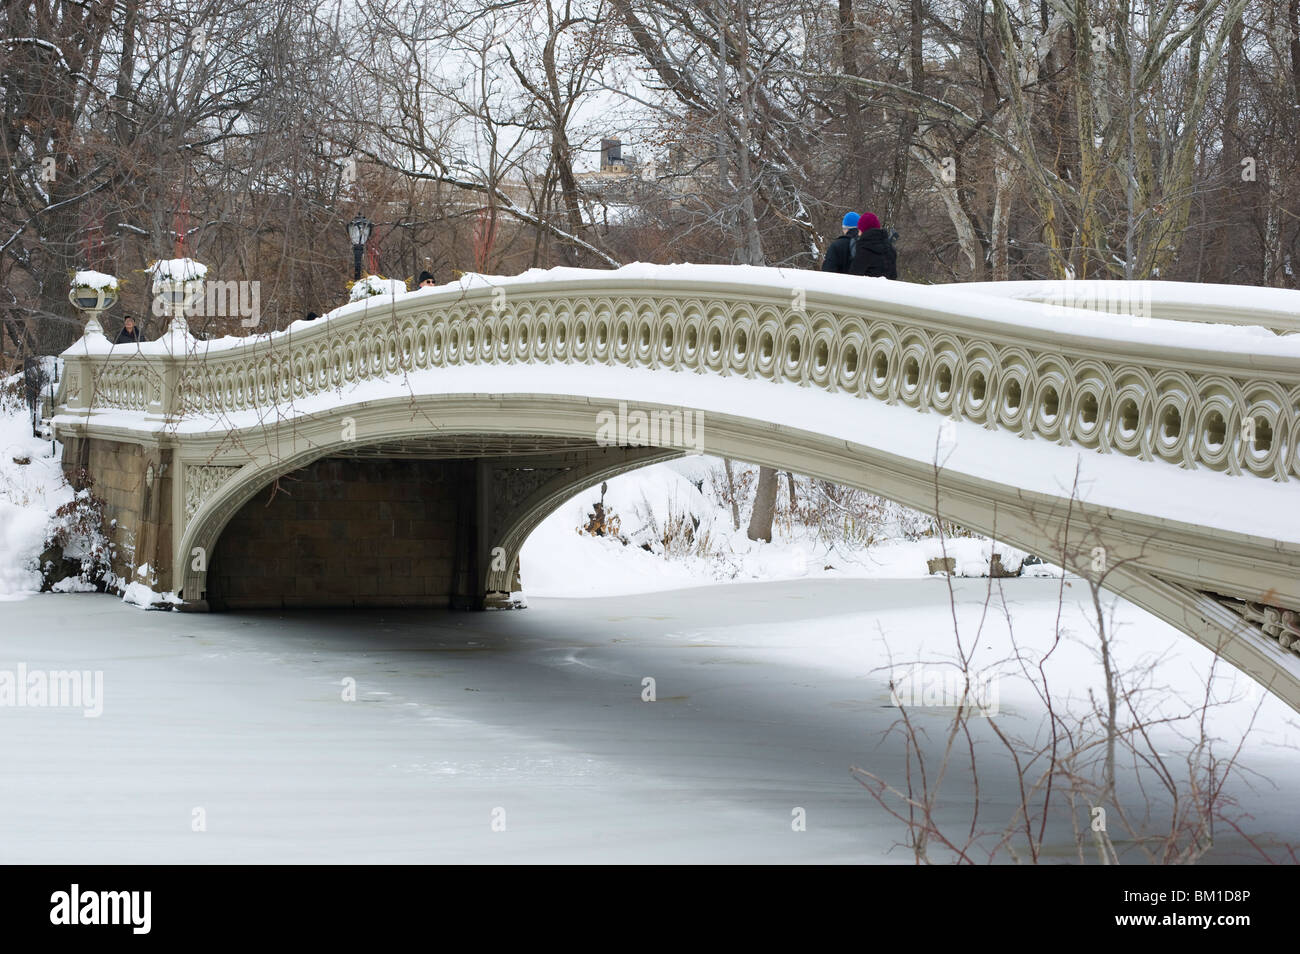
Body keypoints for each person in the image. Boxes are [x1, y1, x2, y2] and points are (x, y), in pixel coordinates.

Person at [848, 212, 898, 279]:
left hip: (867, 288)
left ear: (864, 231)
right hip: (888, 288)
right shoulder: (890, 249)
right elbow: (893, 276)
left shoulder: (864, 249)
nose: (858, 234)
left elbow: (853, 276)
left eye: (860, 230)